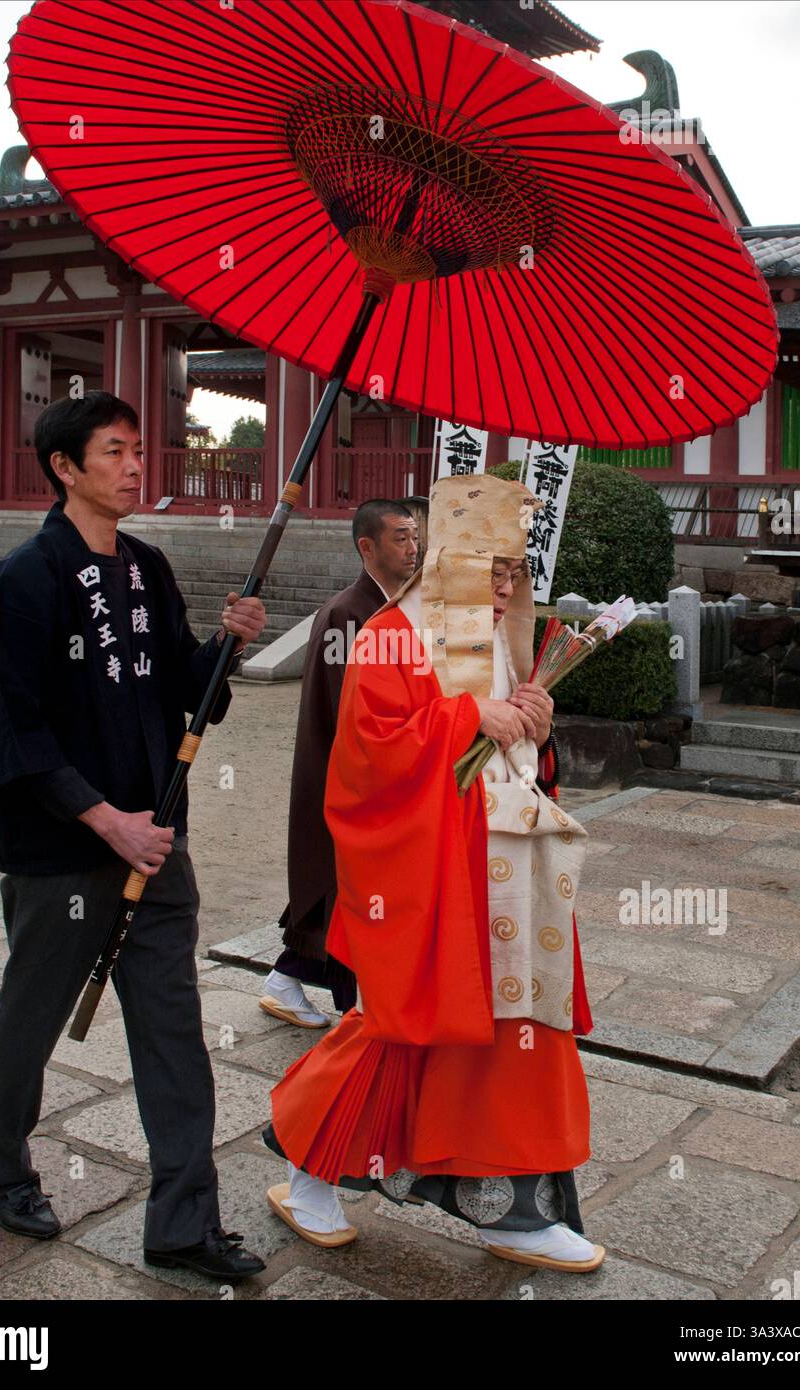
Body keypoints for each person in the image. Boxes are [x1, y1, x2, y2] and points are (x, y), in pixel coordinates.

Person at [262, 471, 604, 1272]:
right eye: (493, 567)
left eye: (513, 571)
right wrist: (466, 717)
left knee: (519, 1031)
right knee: (403, 1030)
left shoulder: (487, 637)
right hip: (432, 874)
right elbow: (363, 763)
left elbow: (514, 752)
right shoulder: (391, 634)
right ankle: (309, 1166)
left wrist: (531, 726)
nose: (506, 585)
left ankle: (511, 1209)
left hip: (506, 867)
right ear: (452, 557)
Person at [0, 391, 267, 1283]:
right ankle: (1, 1169)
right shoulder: (21, 581)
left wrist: (226, 646)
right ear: (65, 467)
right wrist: (105, 820)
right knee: (32, 1015)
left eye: (140, 450)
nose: (138, 465)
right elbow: (10, 733)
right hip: (66, 850)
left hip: (158, 843)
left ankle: (184, 1221)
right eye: (116, 451)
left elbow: (188, 692)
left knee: (173, 1029)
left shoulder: (146, 568)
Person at [260, 499, 419, 1028]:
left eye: (415, 536)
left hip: (382, 776)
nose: (413, 547)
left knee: (341, 893)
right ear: (366, 547)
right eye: (400, 537)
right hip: (347, 778)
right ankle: (361, 1019)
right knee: (347, 892)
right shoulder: (346, 615)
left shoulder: (397, 609)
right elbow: (349, 717)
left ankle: (288, 978)